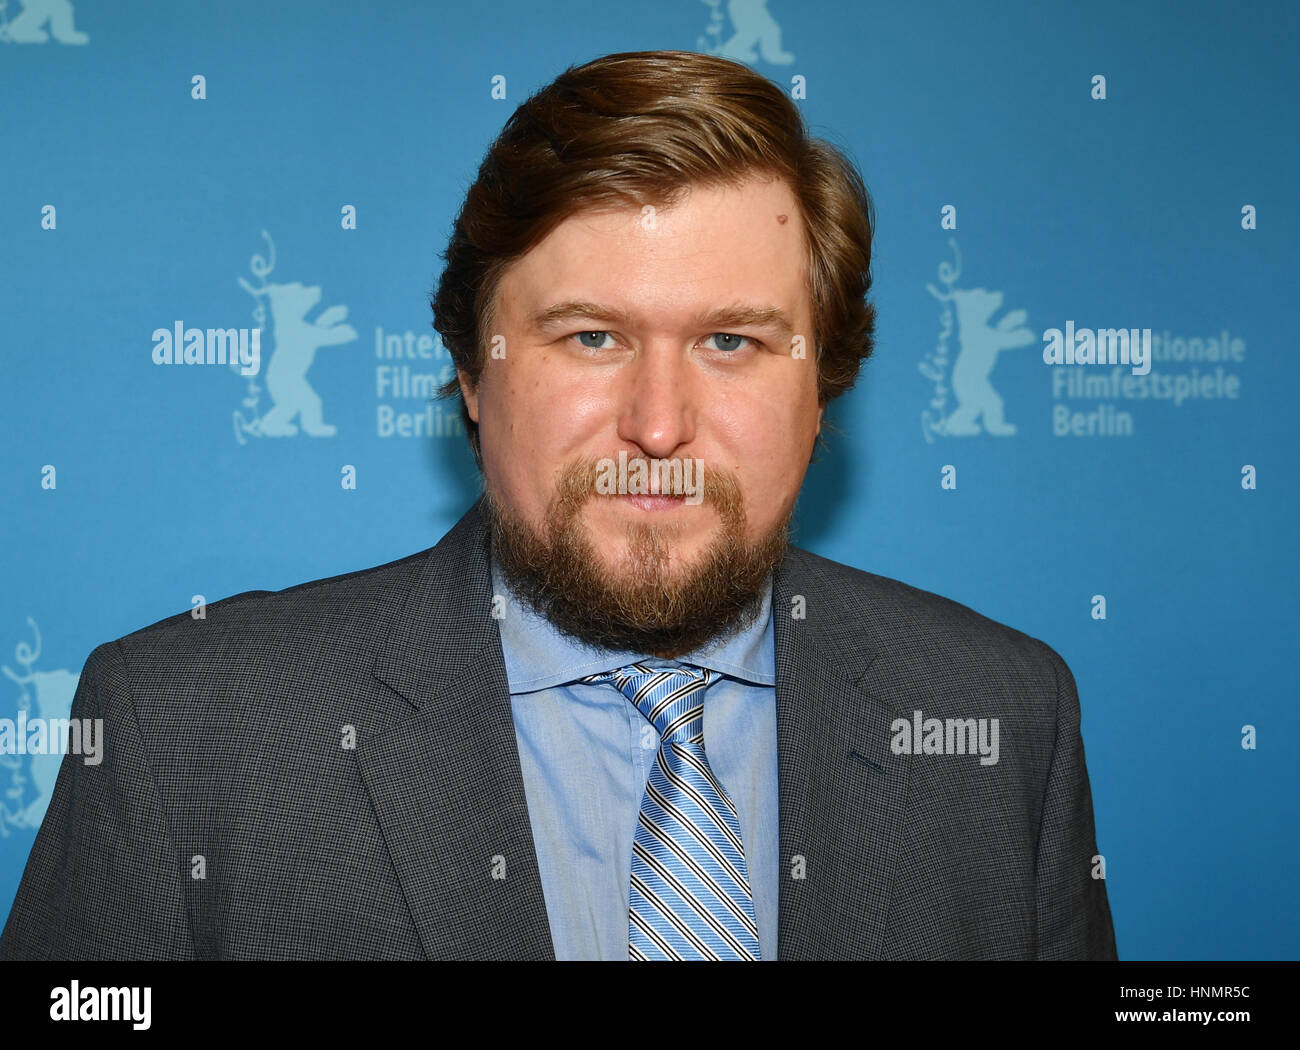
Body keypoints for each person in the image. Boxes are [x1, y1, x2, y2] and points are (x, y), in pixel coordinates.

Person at [0, 49, 1115, 961]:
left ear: (823, 389)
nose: (660, 423)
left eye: (731, 341)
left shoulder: (1004, 722)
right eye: (591, 337)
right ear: (474, 377)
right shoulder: (180, 735)